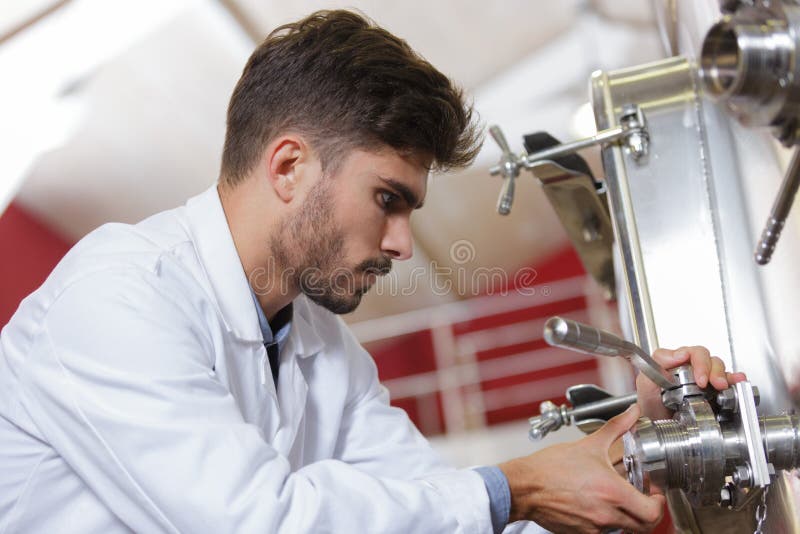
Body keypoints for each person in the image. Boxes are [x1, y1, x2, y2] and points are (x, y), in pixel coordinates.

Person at [0, 10, 744, 534]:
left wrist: (642, 440)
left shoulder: (321, 347)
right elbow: (257, 523)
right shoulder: (118, 295)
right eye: (388, 200)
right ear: (289, 166)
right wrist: (518, 487)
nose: (401, 243)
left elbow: (447, 513)